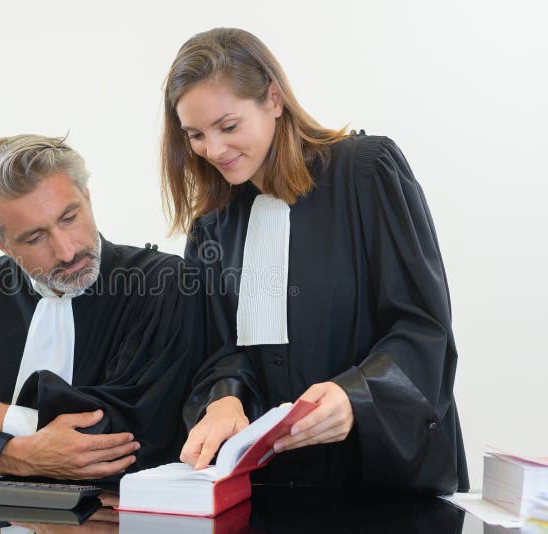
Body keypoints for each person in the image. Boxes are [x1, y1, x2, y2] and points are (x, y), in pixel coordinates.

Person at [160, 28, 468, 492]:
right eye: (196, 135)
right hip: (277, 485)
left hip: (386, 480)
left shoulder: (366, 172)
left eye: (228, 126)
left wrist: (357, 397)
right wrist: (225, 400)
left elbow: (424, 327)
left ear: (274, 100)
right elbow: (220, 350)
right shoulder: (213, 225)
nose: (214, 150)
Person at [0, 134, 202, 480]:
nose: (66, 251)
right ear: (2, 243)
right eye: (35, 237)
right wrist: (9, 458)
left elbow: (129, 437)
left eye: (70, 218)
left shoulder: (163, 284)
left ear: (87, 197)